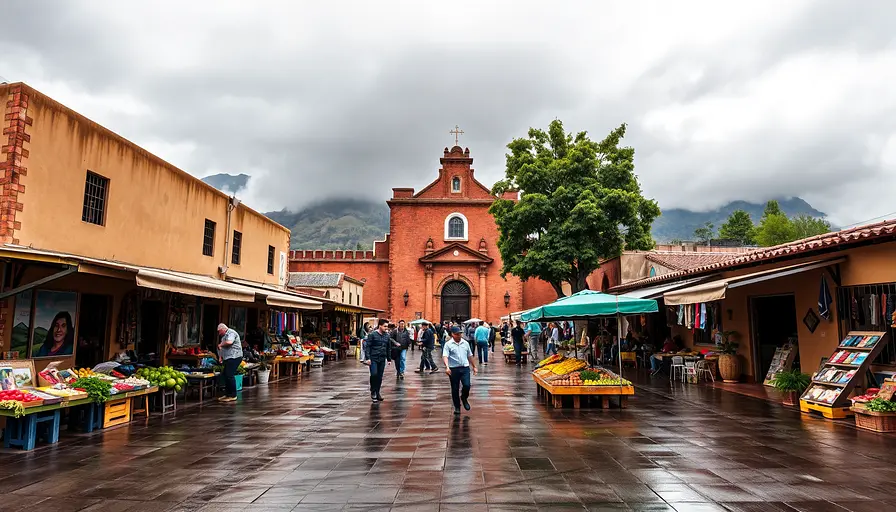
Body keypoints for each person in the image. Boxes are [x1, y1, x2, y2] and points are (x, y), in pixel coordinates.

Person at [443, 326, 478, 415]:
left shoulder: (465, 343)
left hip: (465, 368)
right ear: (452, 334)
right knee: (455, 389)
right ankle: (457, 407)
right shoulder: (448, 344)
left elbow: (470, 355)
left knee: (467, 385)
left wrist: (474, 366)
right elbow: (445, 356)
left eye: (460, 334)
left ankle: (464, 397)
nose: (459, 336)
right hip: (453, 369)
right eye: (457, 334)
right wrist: (447, 367)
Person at [363, 319, 392, 401]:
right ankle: (373, 391)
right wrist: (368, 358)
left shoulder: (387, 335)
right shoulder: (372, 334)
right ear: (380, 326)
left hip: (382, 358)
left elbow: (388, 348)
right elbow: (367, 347)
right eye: (385, 326)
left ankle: (377, 392)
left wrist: (389, 359)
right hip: (373, 358)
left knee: (379, 376)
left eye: (387, 326)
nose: (386, 328)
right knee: (374, 374)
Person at [216, 323, 243, 402]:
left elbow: (229, 342)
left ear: (223, 329)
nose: (219, 333)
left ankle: (233, 395)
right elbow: (222, 349)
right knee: (225, 374)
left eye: (219, 331)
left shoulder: (231, 333)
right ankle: (228, 394)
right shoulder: (223, 337)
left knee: (229, 374)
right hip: (228, 358)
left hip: (235, 357)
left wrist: (221, 344)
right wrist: (220, 357)